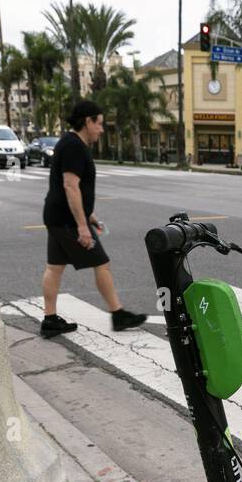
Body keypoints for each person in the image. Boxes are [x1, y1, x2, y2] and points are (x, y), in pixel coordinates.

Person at [39, 99, 145, 338]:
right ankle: (118, 314)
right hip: (66, 220)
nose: (101, 129)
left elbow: (71, 188)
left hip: (57, 216)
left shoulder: (69, 143)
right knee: (102, 263)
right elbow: (70, 186)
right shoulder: (74, 147)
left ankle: (50, 318)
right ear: (88, 122)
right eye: (99, 123)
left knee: (54, 268)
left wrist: (90, 216)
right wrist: (82, 226)